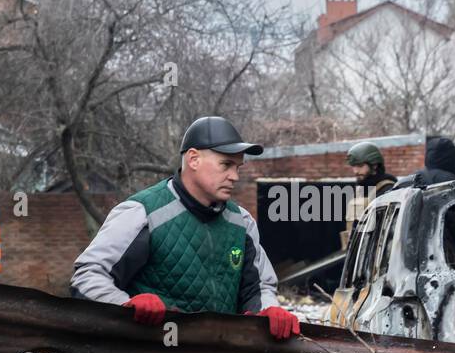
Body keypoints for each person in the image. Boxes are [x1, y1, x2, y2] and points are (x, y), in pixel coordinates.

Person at [71, 116, 300, 339]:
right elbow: (87, 278)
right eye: (226, 165)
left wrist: (268, 310)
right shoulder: (142, 213)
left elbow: (258, 289)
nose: (234, 176)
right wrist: (123, 305)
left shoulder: (242, 223)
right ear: (193, 159)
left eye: (238, 167)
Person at [396, 135, 455, 261]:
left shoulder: (410, 180)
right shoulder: (452, 183)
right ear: (453, 158)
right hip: (440, 251)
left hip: (406, 253)